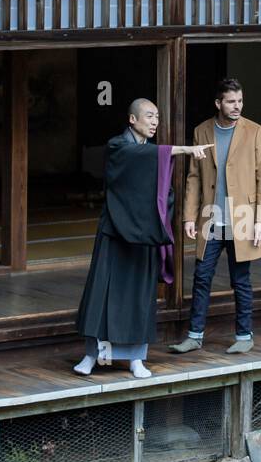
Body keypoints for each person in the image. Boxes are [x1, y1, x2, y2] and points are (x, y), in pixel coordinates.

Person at [73, 99, 211, 378]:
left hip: (142, 234)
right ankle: (91, 355)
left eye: (157, 117)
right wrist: (184, 149)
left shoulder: (152, 154)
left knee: (139, 297)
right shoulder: (118, 146)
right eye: (149, 116)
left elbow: (165, 195)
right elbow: (139, 161)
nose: (154, 122)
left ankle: (137, 358)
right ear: (132, 120)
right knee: (103, 293)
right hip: (115, 231)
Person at [170, 78, 261, 354]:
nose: (237, 106)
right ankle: (194, 335)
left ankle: (243, 336)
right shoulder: (202, 131)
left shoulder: (255, 131)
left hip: (243, 217)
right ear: (218, 103)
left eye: (239, 101)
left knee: (241, 279)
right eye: (231, 101)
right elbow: (193, 177)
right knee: (202, 276)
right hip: (210, 216)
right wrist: (189, 217)